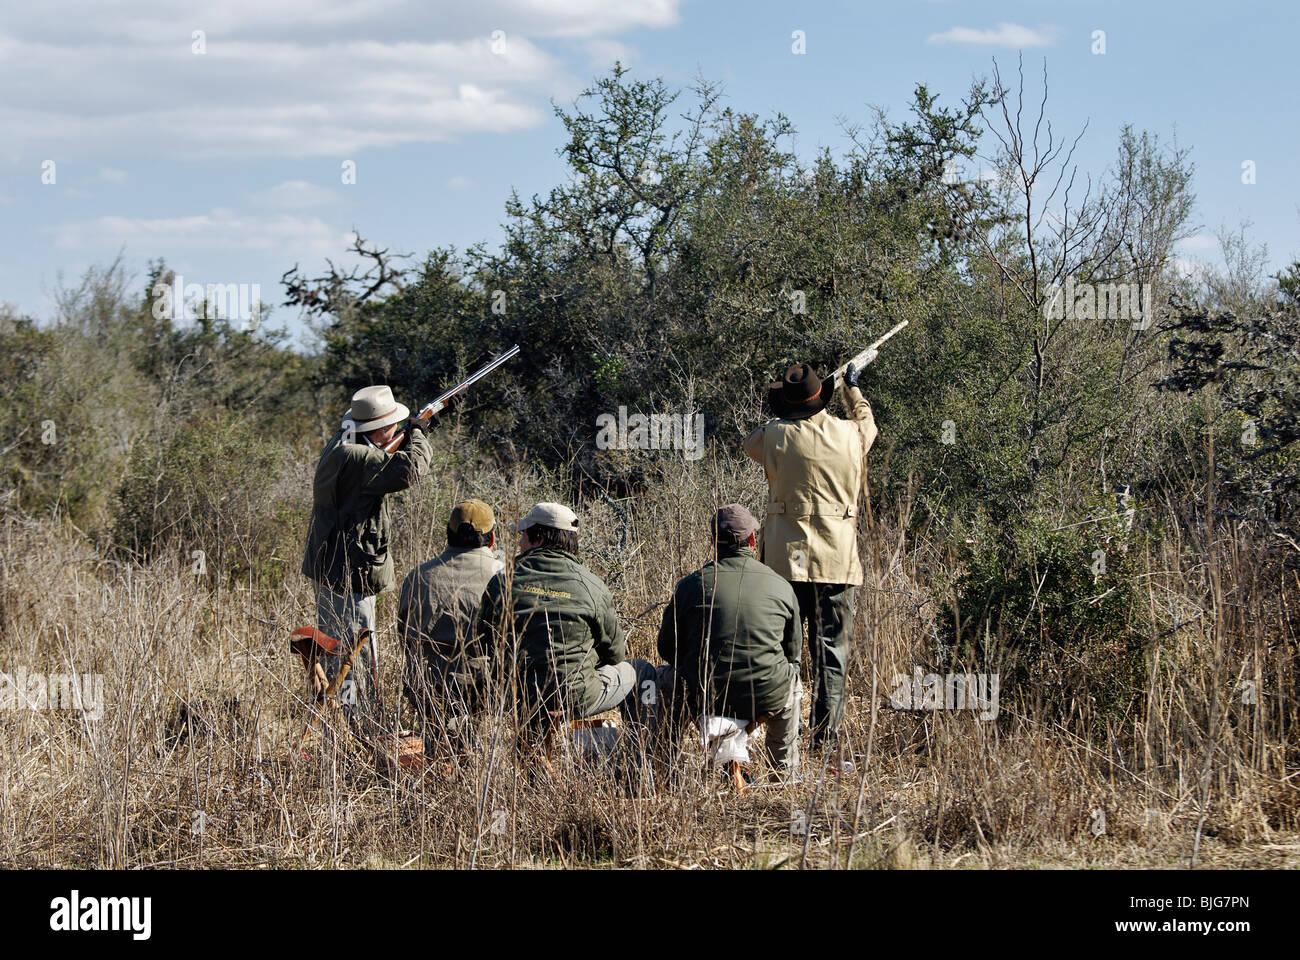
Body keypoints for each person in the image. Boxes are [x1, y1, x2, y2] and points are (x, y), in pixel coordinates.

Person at [743, 361, 877, 751]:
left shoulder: (774, 436)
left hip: (787, 563)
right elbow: (868, 425)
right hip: (839, 560)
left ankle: (785, 740)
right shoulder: (852, 434)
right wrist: (851, 389)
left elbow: (749, 441)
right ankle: (825, 739)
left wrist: (786, 407)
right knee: (832, 653)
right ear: (823, 395)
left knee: (786, 653)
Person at [300, 384, 437, 734]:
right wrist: (419, 435)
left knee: (346, 647)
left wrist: (419, 429)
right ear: (376, 429)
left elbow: (390, 457)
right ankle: (356, 730)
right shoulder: (356, 457)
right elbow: (408, 471)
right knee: (352, 652)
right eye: (393, 425)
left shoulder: (346, 442)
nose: (397, 428)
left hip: (335, 566)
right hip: (348, 573)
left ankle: (352, 724)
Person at [475, 502, 658, 748]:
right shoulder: (593, 585)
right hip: (576, 697)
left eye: (524, 536)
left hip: (515, 695)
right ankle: (644, 756)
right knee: (644, 672)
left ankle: (533, 753)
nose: (519, 544)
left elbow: (482, 641)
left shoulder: (501, 581)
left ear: (538, 538)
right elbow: (615, 655)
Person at [656, 504, 803, 778]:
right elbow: (793, 653)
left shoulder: (690, 585)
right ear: (752, 540)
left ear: (713, 542)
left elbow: (666, 648)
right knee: (792, 681)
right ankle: (783, 773)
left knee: (663, 678)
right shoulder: (781, 585)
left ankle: (665, 768)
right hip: (765, 696)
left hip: (703, 694)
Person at [397, 499, 504, 757]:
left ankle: (443, 749)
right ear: (491, 540)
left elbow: (403, 635)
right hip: (481, 686)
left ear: (448, 534)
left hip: (427, 683)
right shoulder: (503, 574)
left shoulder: (418, 575)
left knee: (442, 737)